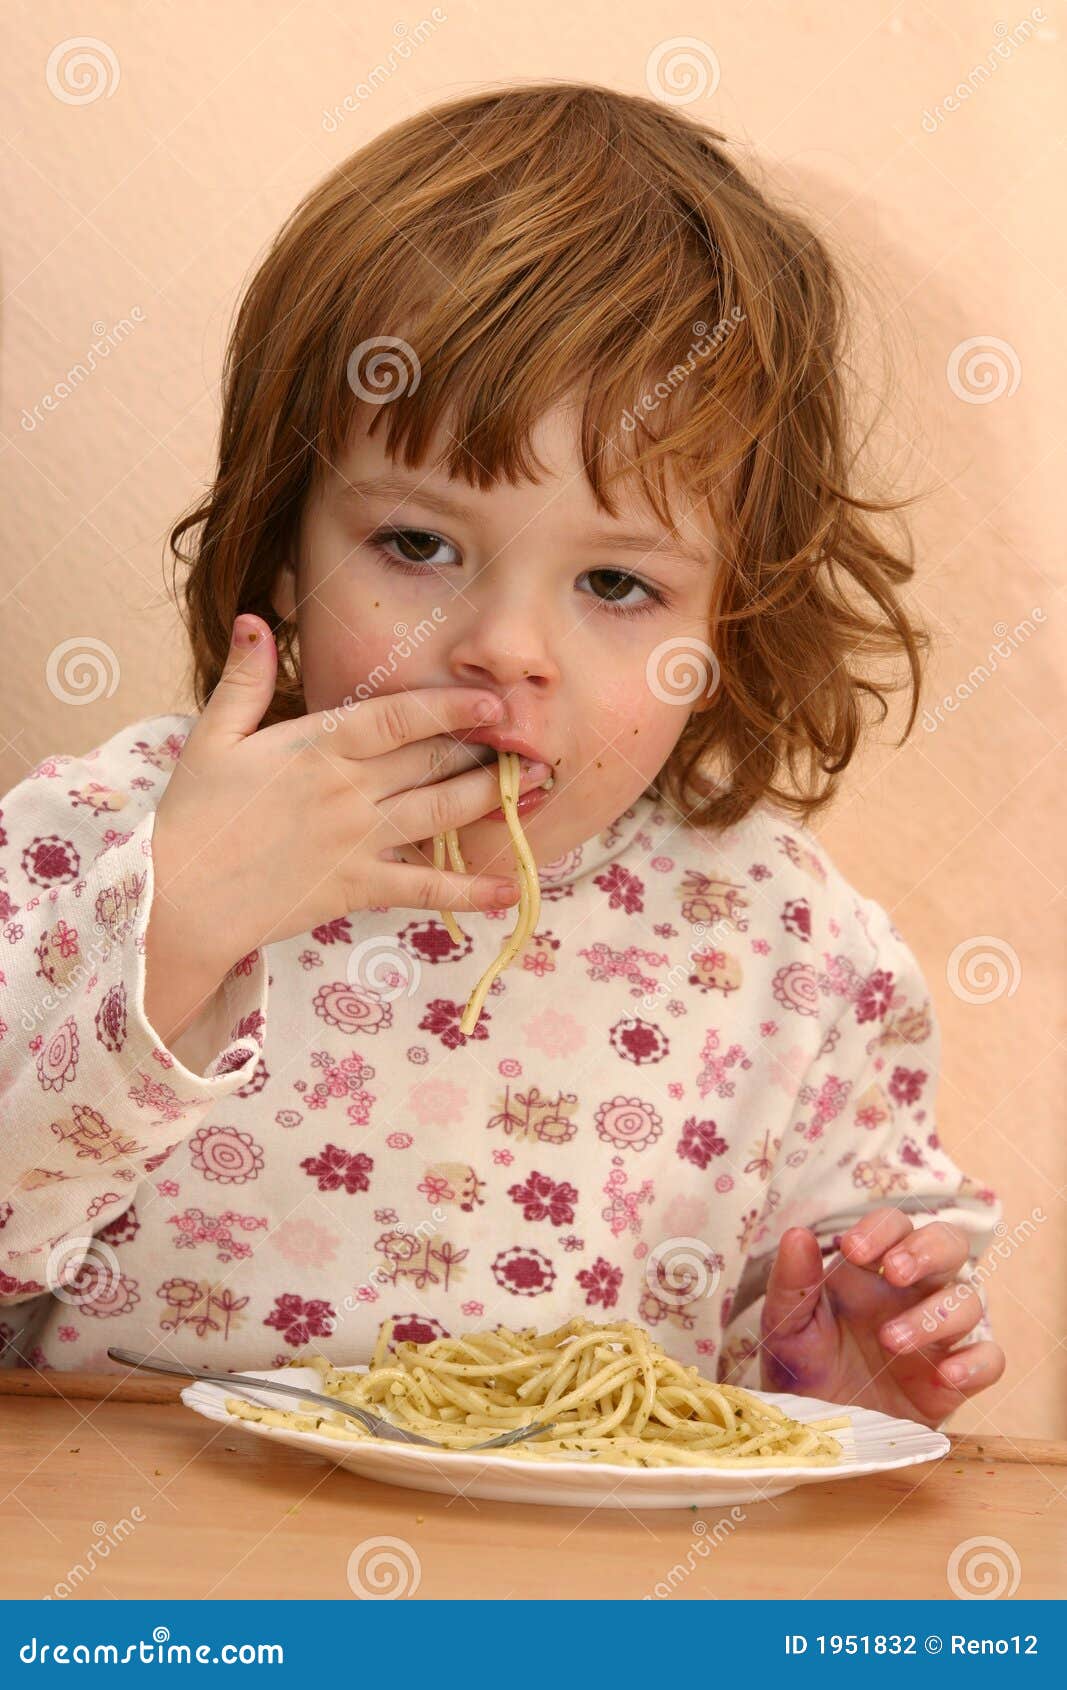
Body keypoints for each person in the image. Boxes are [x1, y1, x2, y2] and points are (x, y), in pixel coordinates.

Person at [0, 82, 1002, 1427]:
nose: (506, 649)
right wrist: (168, 935)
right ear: (284, 549)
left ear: (730, 623)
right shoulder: (95, 843)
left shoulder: (790, 954)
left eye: (617, 586)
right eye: (417, 547)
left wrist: (847, 1376)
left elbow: (792, 1394)